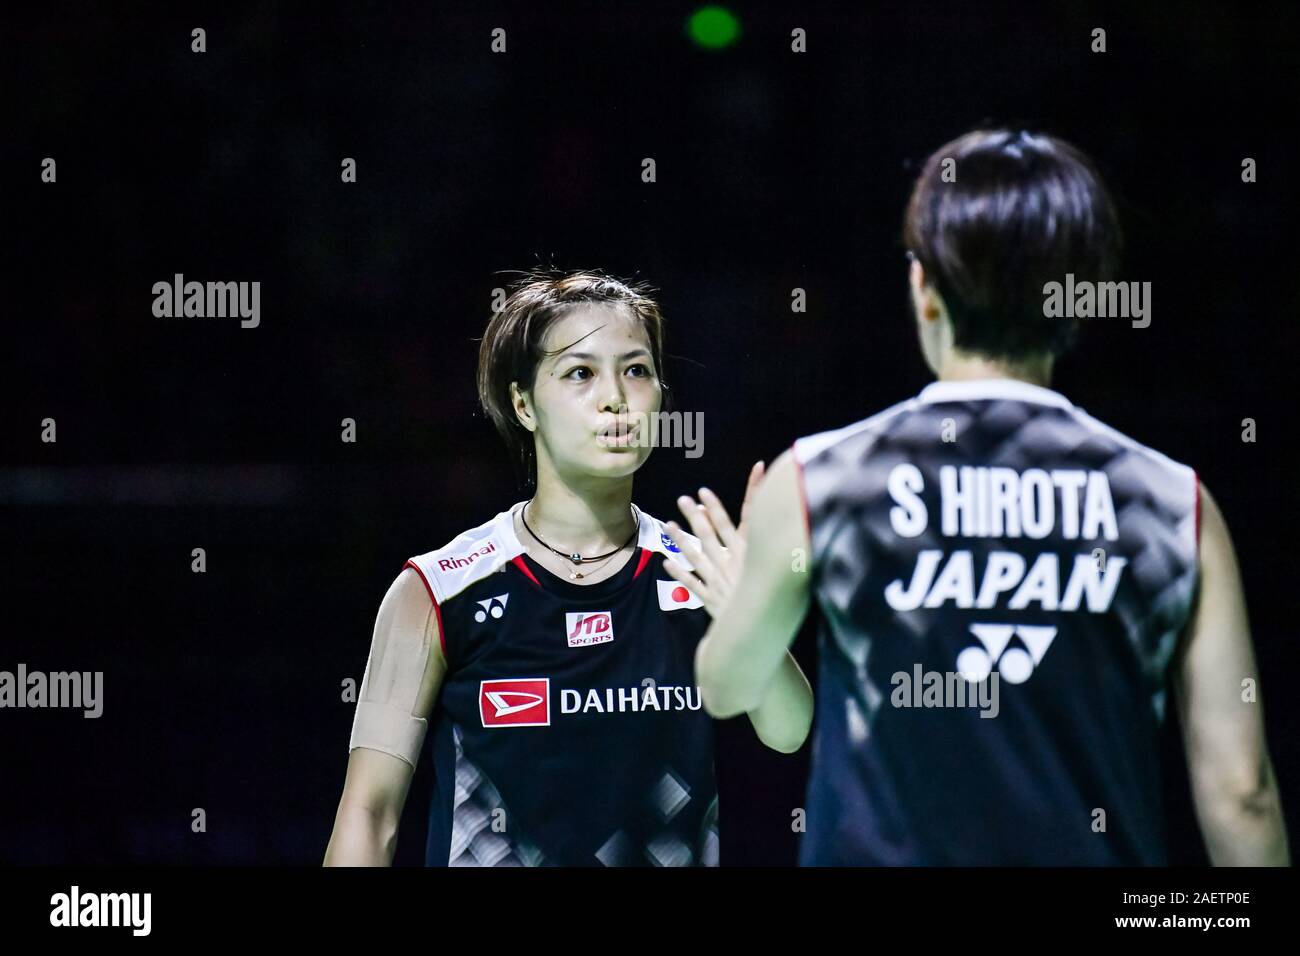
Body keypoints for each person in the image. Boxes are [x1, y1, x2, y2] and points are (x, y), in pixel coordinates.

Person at [676, 129, 1290, 865]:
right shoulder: (1171, 506)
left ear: (923, 289)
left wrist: (741, 590)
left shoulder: (823, 481)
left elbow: (725, 684)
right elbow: (1240, 791)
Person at [324, 270, 812, 866]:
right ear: (523, 403)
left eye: (636, 370)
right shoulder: (437, 591)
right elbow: (370, 815)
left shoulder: (698, 573)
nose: (615, 396)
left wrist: (754, 611)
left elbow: (788, 732)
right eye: (580, 373)